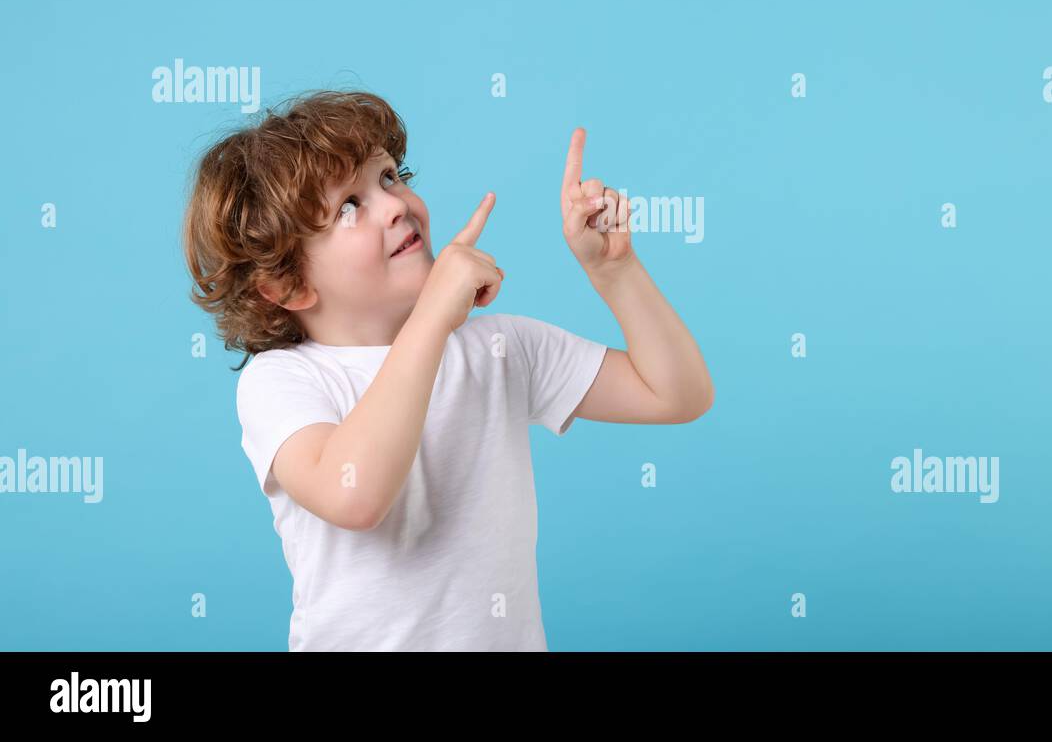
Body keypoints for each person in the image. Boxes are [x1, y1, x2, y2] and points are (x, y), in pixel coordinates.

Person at [180, 89, 713, 650]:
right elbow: (354, 495)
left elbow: (677, 395)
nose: (394, 205)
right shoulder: (283, 382)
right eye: (348, 208)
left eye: (389, 177)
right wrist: (431, 317)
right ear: (287, 285)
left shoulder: (501, 349)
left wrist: (616, 272)